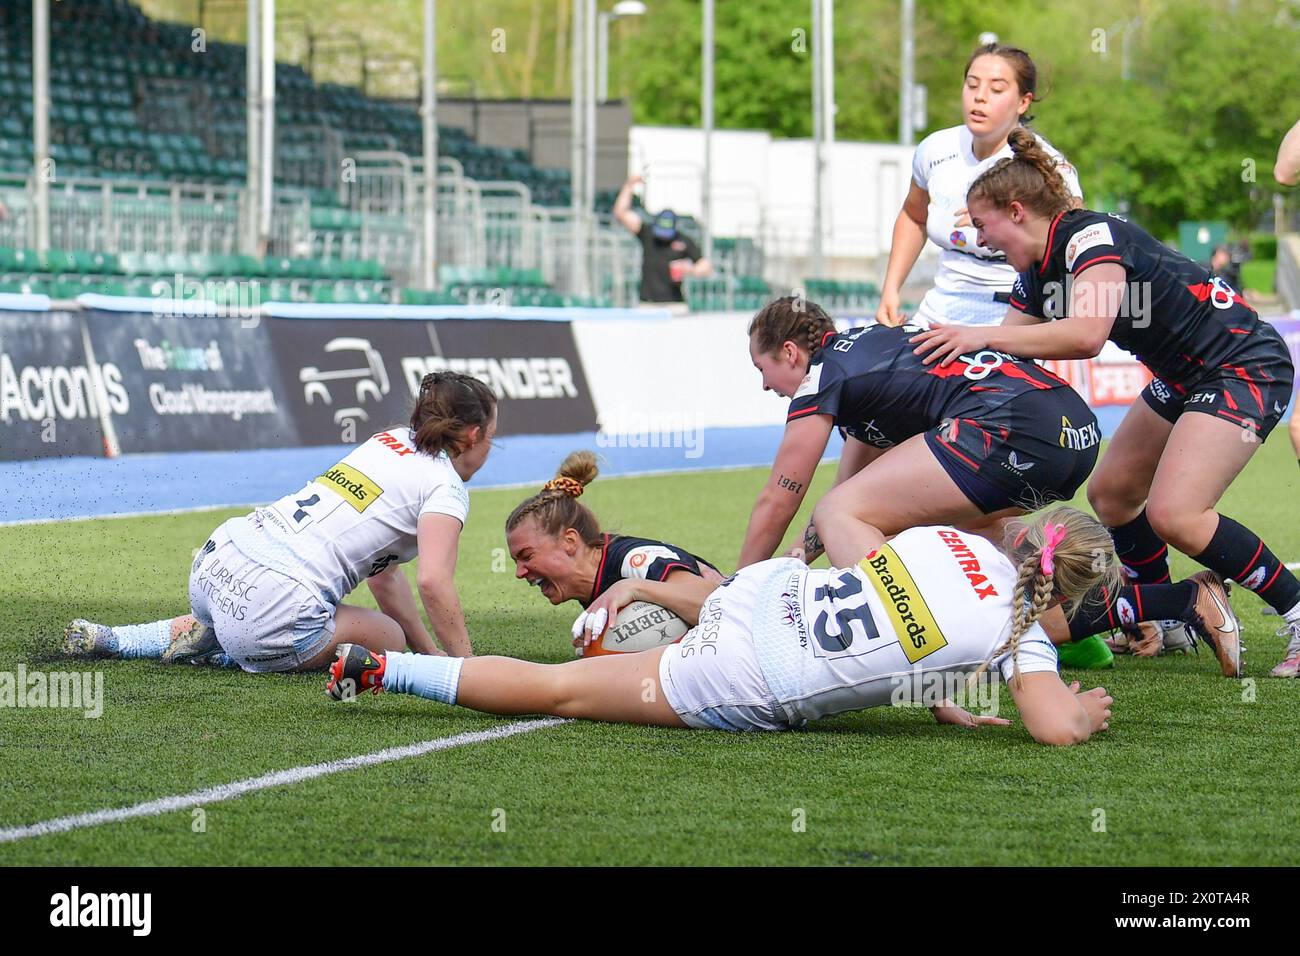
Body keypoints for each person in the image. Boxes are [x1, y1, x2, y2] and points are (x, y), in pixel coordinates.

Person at [911, 127, 1300, 677]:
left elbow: (1087, 334)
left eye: (983, 226)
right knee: (1113, 493)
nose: (981, 240)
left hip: (1242, 363)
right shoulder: (1035, 272)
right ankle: (1168, 618)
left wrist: (980, 337)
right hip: (1185, 374)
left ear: (1016, 210)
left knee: (1175, 514)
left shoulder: (1087, 237)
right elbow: (1009, 361)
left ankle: (1297, 609)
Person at [326, 508, 1117, 748]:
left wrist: (934, 689)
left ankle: (384, 669)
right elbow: (1050, 726)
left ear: (1024, 537)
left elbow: (851, 544)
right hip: (754, 676)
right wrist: (1083, 711)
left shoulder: (955, 542)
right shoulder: (1026, 636)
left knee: (560, 680)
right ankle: (386, 672)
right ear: (1071, 595)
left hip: (758, 596)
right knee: (559, 695)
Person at [61, 372, 498, 672]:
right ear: (474, 436)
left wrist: (430, 651)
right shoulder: (445, 487)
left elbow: (385, 577)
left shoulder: (388, 440)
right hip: (276, 603)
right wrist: (464, 669)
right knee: (390, 638)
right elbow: (434, 583)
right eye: (492, 439)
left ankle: (117, 638)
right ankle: (225, 652)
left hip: (219, 560)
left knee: (236, 615)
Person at [877, 43, 1082, 329]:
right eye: (972, 85)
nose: (980, 97)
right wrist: (890, 290)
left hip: (1012, 319)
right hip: (937, 313)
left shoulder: (1048, 169)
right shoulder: (935, 150)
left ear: (1024, 102)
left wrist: (997, 227)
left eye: (996, 90)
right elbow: (914, 216)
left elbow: (1074, 251)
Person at [505, 450, 725, 651]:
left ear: (569, 541)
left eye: (527, 556)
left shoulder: (632, 560)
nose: (519, 573)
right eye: (516, 561)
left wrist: (632, 587)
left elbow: (716, 605)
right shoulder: (594, 579)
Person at [613, 174, 713, 303]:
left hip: (674, 303)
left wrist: (689, 269)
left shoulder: (683, 240)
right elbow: (621, 212)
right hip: (648, 303)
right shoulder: (647, 234)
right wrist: (629, 185)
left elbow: (706, 267)